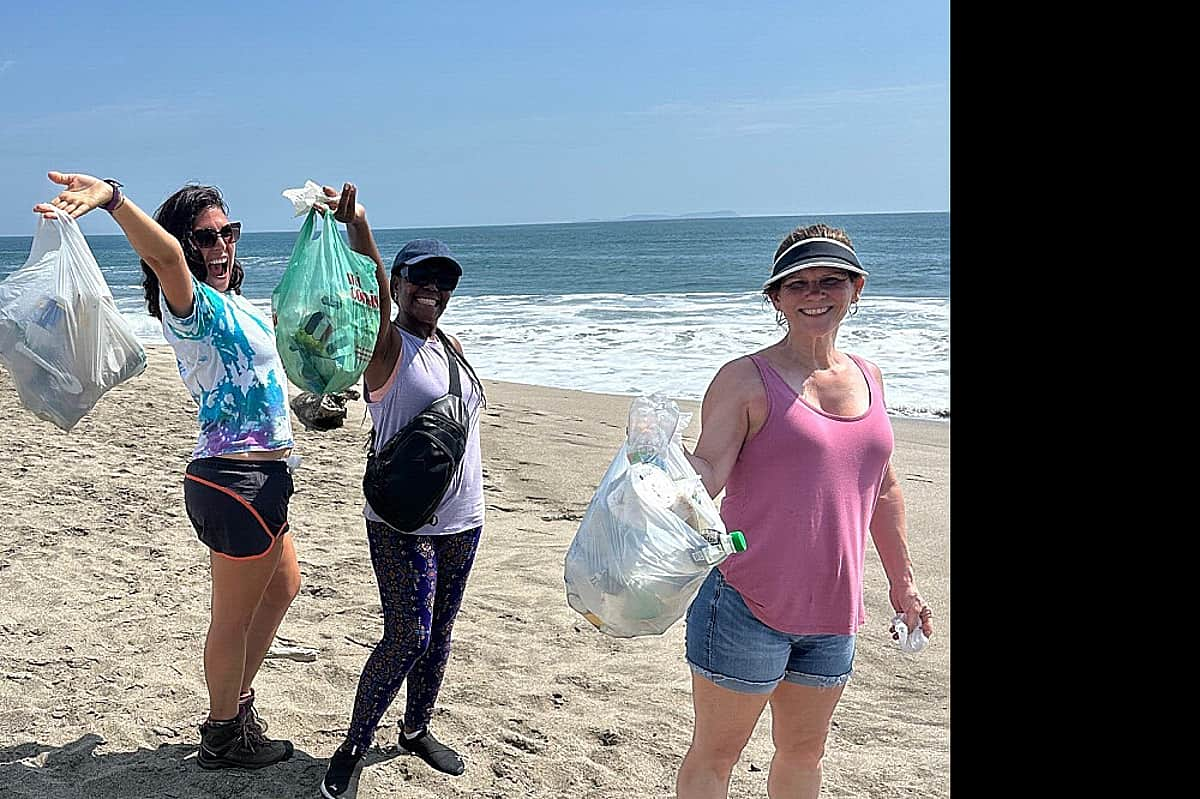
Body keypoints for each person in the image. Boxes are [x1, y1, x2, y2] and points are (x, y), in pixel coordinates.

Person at [33, 171, 328, 770]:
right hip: (233, 480)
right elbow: (164, 257)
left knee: (284, 586)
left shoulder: (239, 307)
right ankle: (224, 731)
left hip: (265, 475)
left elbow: (260, 383)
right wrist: (114, 199)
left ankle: (233, 707)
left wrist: (312, 399)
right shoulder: (192, 306)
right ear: (185, 246)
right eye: (205, 238)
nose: (221, 248)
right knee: (232, 618)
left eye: (228, 233)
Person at [674, 223, 935, 799]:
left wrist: (904, 585)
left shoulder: (869, 375)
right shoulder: (745, 379)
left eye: (830, 281)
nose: (815, 293)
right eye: (798, 284)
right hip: (745, 603)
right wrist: (657, 473)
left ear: (856, 287)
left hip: (834, 612)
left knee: (804, 754)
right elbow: (709, 472)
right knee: (716, 756)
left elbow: (883, 486)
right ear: (776, 297)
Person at [317, 194, 487, 799]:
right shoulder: (386, 344)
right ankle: (354, 745)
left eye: (444, 280)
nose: (433, 289)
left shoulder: (450, 346)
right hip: (402, 522)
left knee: (439, 632)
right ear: (399, 282)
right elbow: (371, 290)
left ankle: (415, 729)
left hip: (464, 519)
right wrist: (359, 226)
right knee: (406, 636)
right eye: (421, 278)